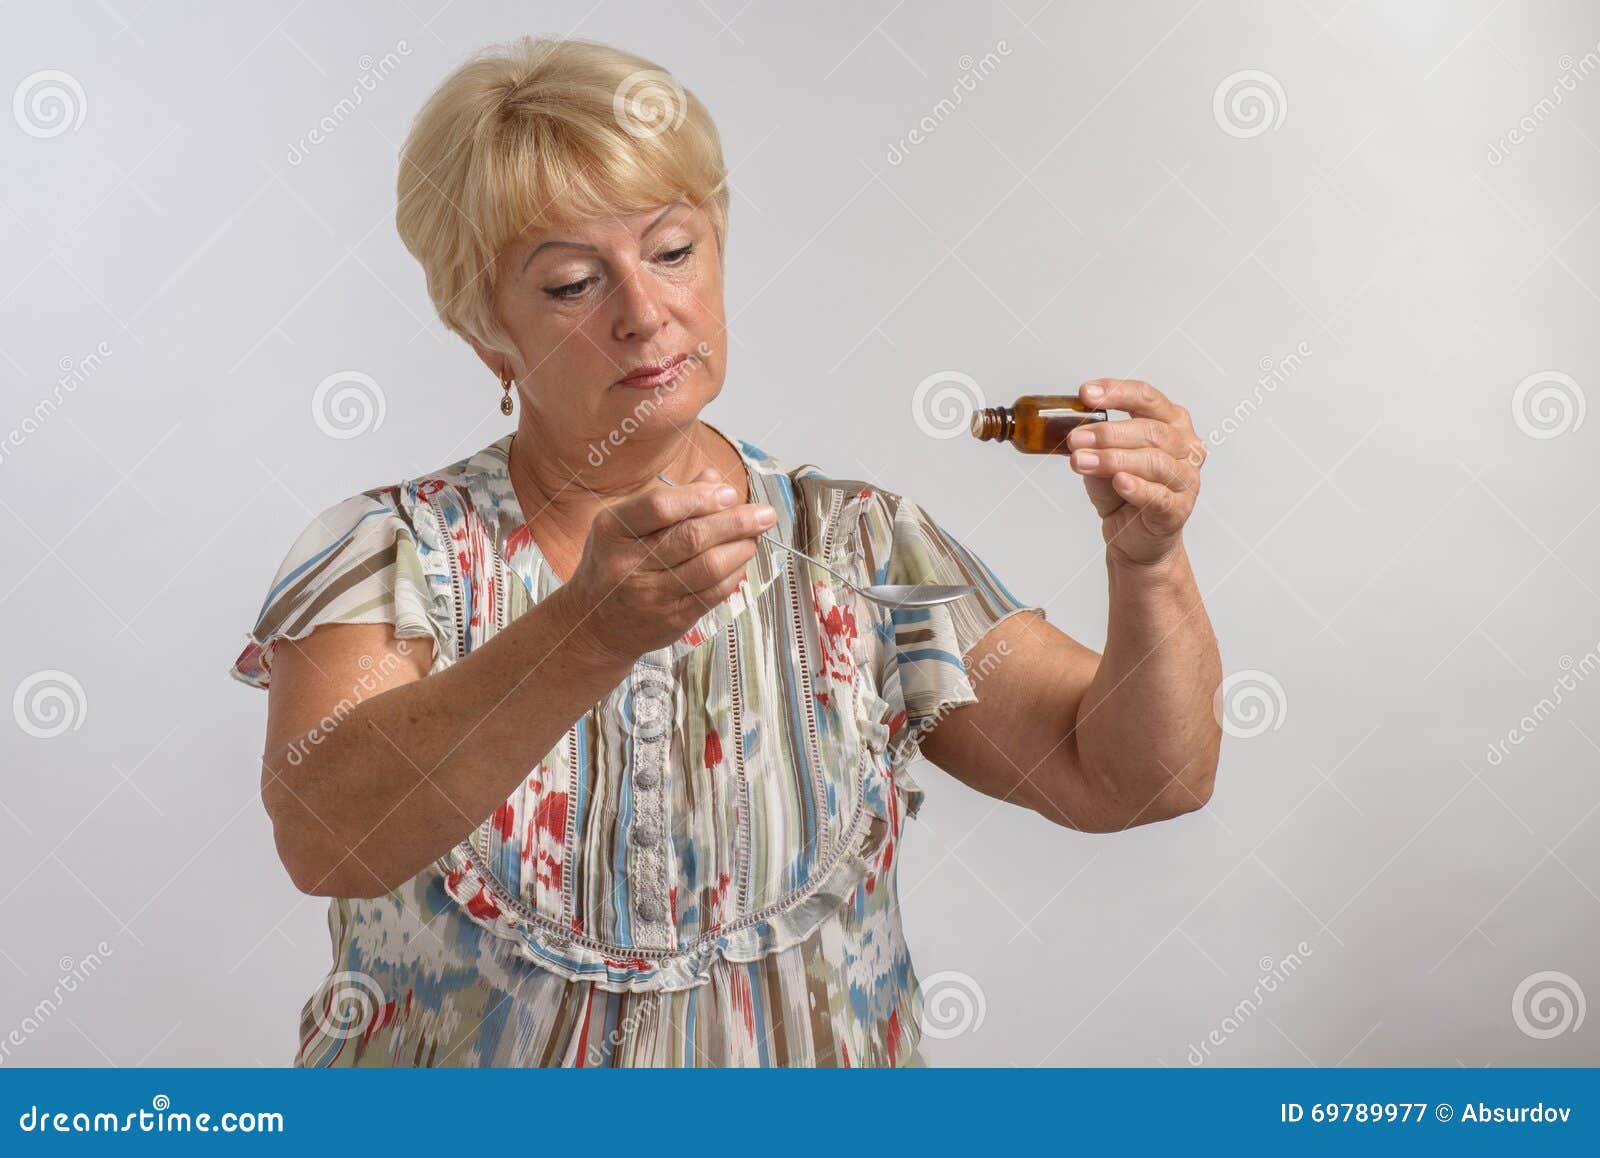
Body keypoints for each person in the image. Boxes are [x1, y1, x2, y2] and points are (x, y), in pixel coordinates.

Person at [229, 35, 1221, 1067]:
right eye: (571, 283)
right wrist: (585, 635)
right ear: (487, 335)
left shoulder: (856, 545)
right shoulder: (390, 551)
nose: (645, 312)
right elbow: (327, 837)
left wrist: (1148, 566)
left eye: (671, 252)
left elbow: (1132, 783)